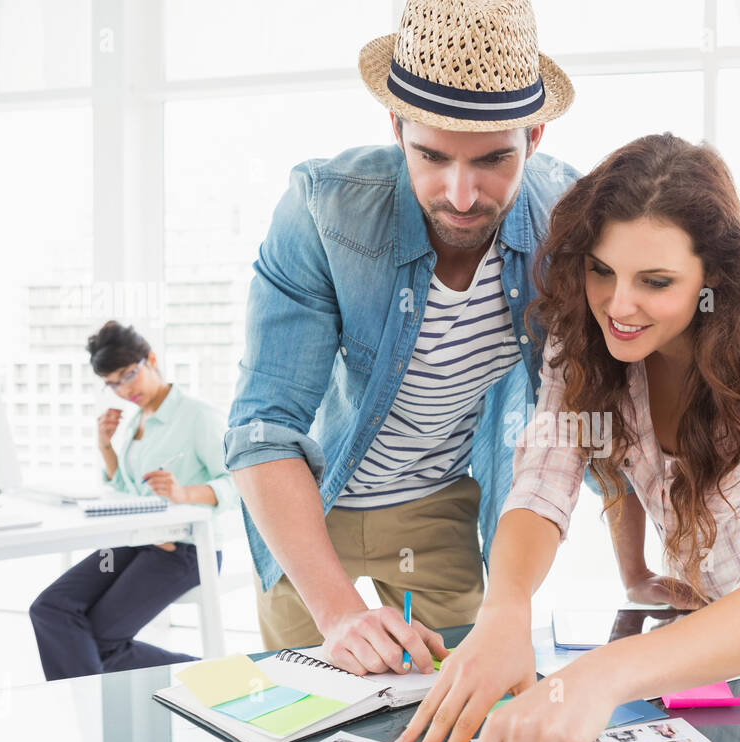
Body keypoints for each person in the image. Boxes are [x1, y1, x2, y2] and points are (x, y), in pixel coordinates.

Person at [390, 133, 740, 742]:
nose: (618, 306)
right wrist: (508, 606)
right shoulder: (588, 332)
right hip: (700, 571)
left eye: (656, 282)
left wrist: (597, 676)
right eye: (600, 270)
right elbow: (557, 466)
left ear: (714, 279)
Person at [225, 0, 598, 672]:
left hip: (438, 506)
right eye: (431, 155)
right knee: (309, 725)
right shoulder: (322, 208)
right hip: (308, 508)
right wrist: (338, 615)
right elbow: (263, 428)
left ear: (534, 137)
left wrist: (648, 571)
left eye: (491, 160)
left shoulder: (568, 224)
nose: (460, 194)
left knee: (465, 702)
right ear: (396, 127)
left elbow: (603, 406)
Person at [30, 322, 237, 679]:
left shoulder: (196, 415)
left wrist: (183, 494)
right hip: (135, 542)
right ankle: (205, 675)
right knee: (50, 609)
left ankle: (210, 677)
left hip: (183, 550)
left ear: (151, 359)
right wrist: (105, 446)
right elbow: (128, 490)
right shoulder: (135, 423)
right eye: (112, 383)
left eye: (128, 376)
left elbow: (239, 484)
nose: (123, 390)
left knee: (92, 644)